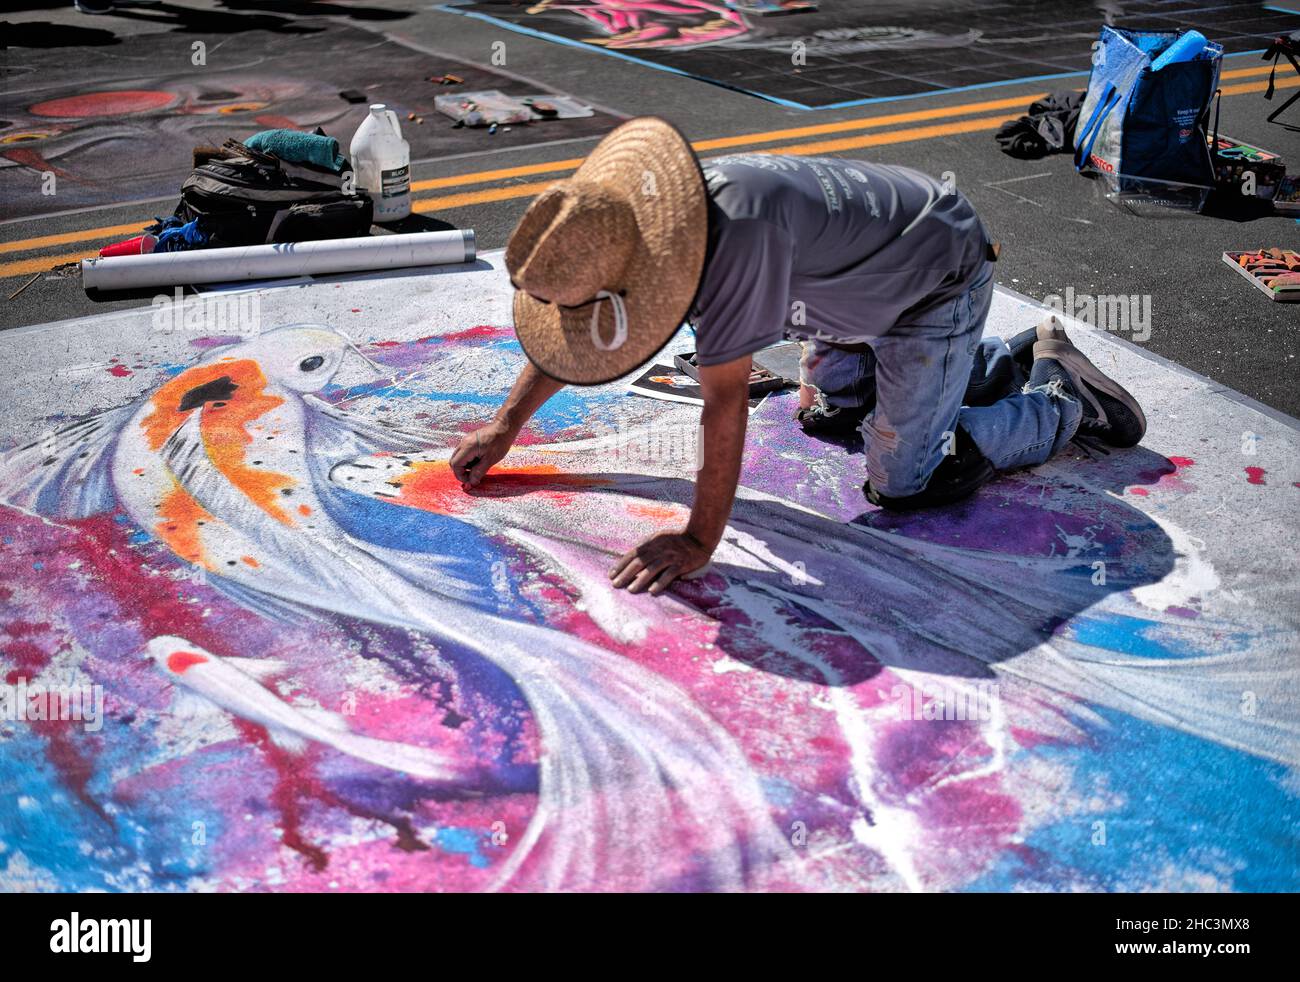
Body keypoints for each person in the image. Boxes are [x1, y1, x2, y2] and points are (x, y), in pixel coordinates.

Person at [448, 116, 1145, 596]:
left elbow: (724, 408)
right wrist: (506, 425)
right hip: (853, 285)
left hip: (934, 280)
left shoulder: (726, 249)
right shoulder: (645, 224)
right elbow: (586, 324)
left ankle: (1061, 398)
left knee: (902, 480)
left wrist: (698, 539)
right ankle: (990, 360)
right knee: (829, 416)